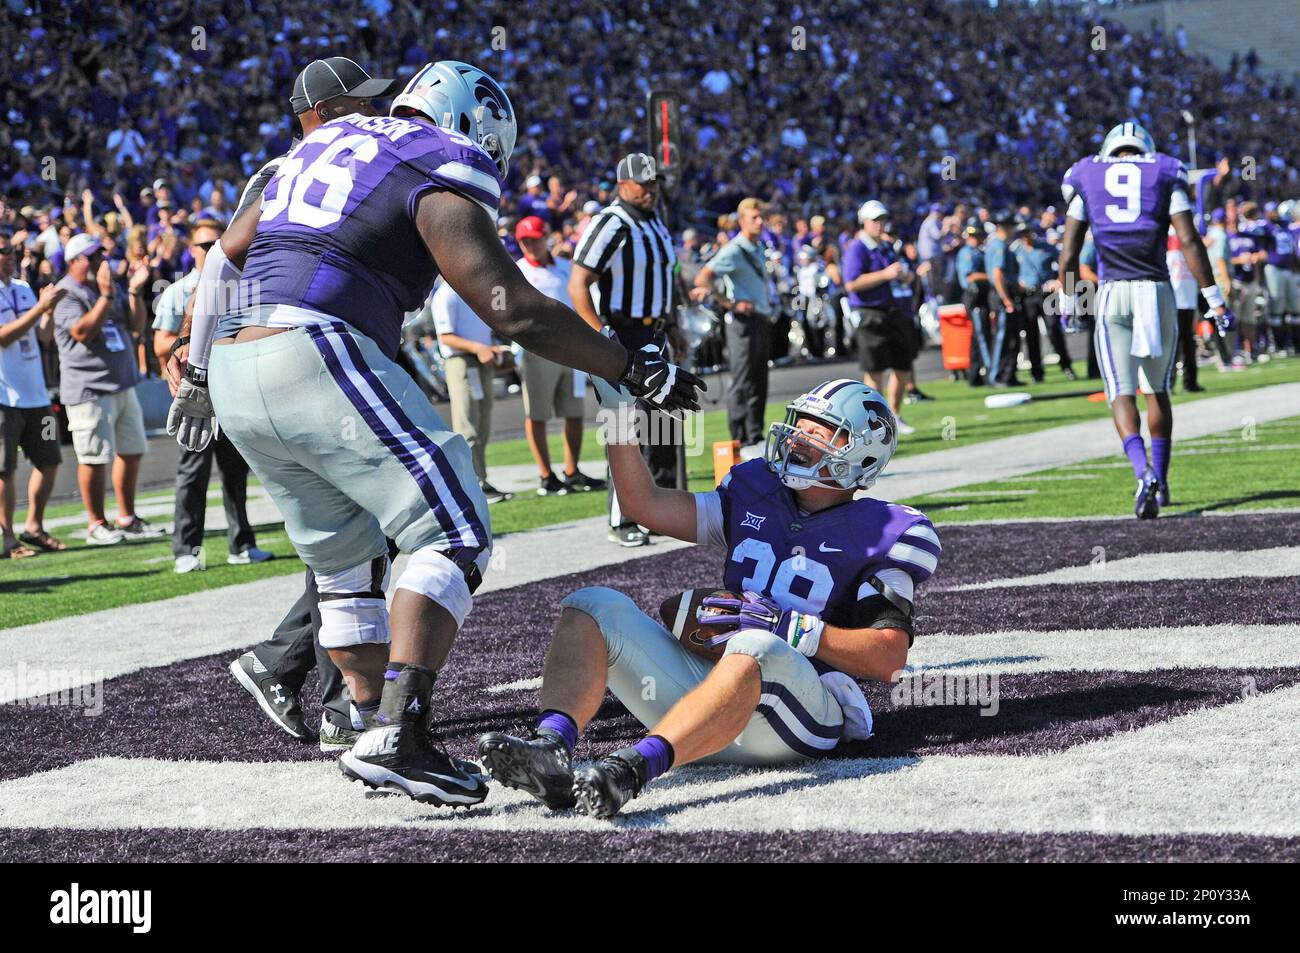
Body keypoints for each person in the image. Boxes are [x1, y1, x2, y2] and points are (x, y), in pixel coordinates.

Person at [169, 61, 703, 807]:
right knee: (451, 528)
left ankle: (365, 724)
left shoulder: (313, 148)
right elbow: (509, 306)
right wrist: (631, 364)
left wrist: (196, 373)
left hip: (235, 365)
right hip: (316, 347)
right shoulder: (433, 158)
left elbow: (221, 265)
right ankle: (400, 732)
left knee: (345, 568)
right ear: (470, 124)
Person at [476, 378, 939, 818]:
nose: (800, 435)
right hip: (715, 703)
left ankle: (631, 770)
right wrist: (619, 416)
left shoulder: (888, 532)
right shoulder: (756, 490)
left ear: (859, 455)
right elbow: (644, 506)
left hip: (801, 716)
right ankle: (552, 750)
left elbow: (888, 658)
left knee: (755, 645)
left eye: (822, 429)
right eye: (800, 421)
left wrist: (788, 628)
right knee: (592, 605)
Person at [1059, 121, 1233, 519]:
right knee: (1157, 389)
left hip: (1113, 291)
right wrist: (1215, 300)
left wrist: (1068, 301)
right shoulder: (1165, 171)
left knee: (1120, 391)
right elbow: (1189, 239)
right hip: (1156, 290)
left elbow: (1069, 250)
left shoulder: (1086, 173)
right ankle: (1164, 482)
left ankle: (1142, 472)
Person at [571, 153, 682, 548]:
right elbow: (579, 282)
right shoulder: (611, 222)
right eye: (643, 183)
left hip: (657, 332)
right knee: (626, 429)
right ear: (623, 184)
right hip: (624, 332)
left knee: (664, 425)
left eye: (654, 183)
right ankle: (623, 518)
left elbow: (669, 278)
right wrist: (599, 336)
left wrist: (675, 325)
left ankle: (660, 511)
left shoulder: (655, 222)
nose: (650, 190)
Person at [152, 218, 271, 572]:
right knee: (193, 473)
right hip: (196, 393)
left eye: (215, 243)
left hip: (230, 388)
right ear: (192, 250)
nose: (210, 250)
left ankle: (241, 543)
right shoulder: (178, 290)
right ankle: (186, 549)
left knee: (235, 472)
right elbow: (161, 342)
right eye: (203, 245)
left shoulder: (242, 286)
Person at [52, 233, 158, 545]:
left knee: (131, 450)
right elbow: (82, 331)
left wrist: (135, 292)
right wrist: (106, 296)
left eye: (102, 255)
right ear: (73, 262)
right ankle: (96, 524)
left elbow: (137, 326)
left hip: (122, 383)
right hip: (89, 387)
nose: (100, 261)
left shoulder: (110, 288)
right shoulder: (65, 292)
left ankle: (126, 517)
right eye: (92, 257)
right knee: (95, 457)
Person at [513, 215, 605, 496]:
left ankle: (571, 470)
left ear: (546, 237)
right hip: (538, 350)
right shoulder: (517, 271)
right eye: (525, 241)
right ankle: (545, 475)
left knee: (574, 413)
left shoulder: (566, 267)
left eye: (535, 239)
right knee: (538, 414)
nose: (530, 245)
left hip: (572, 349)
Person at [691, 197, 777, 449]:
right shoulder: (735, 250)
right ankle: (740, 438)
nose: (760, 222)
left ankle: (755, 433)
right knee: (742, 379)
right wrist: (729, 303)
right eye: (754, 218)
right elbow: (703, 278)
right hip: (743, 321)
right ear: (741, 221)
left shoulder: (757, 247)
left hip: (760, 319)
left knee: (759, 379)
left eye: (762, 217)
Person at [0, 236, 65, 558]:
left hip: (36, 394)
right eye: (3, 251)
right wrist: (40, 307)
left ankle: (34, 526)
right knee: (4, 469)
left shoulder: (24, 289)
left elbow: (42, 335)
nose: (10, 256)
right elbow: (3, 338)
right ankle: (9, 539)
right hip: (4, 396)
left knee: (50, 459)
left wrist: (48, 312)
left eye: (11, 251)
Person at [431, 279, 511, 505]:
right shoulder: (446, 294)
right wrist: (480, 348)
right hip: (461, 362)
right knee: (468, 426)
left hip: (480, 361)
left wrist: (495, 348)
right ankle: (472, 483)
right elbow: (445, 336)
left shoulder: (471, 291)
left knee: (482, 424)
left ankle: (480, 479)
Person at [840, 200, 916, 434]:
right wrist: (885, 274)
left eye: (882, 220)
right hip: (870, 313)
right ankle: (875, 422)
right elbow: (851, 283)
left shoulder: (884, 246)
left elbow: (901, 275)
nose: (880, 225)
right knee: (875, 371)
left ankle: (894, 415)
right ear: (864, 222)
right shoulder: (857, 248)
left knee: (903, 366)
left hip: (892, 310)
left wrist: (903, 276)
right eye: (875, 220)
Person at [984, 212, 1024, 387]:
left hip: (1004, 293)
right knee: (1002, 338)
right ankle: (996, 376)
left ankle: (1008, 375)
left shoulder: (999, 245)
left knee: (1011, 337)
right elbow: (997, 274)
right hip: (1002, 295)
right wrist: (1006, 299)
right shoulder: (999, 245)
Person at [956, 223, 992, 386]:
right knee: (982, 336)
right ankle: (990, 370)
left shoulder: (978, 252)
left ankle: (975, 374)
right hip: (974, 296)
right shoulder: (967, 253)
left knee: (979, 337)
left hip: (981, 295)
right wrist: (991, 276)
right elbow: (970, 276)